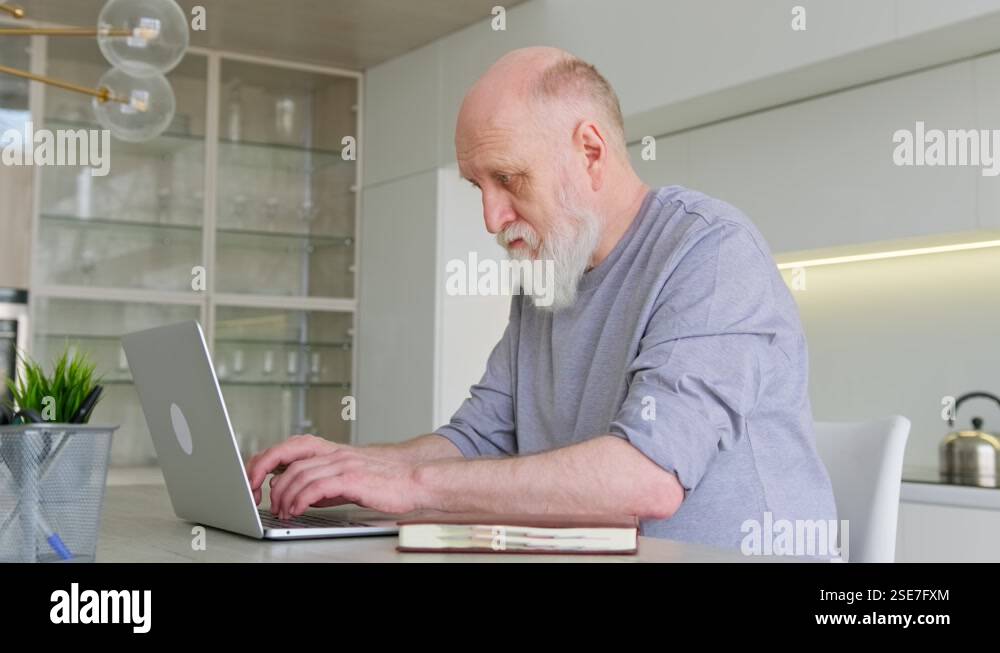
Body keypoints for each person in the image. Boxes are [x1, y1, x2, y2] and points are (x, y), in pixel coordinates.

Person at [246, 46, 836, 550]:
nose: (490, 217)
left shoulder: (709, 253)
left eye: (508, 178)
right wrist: (359, 466)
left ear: (591, 152)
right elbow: (479, 439)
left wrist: (413, 487)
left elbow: (647, 479)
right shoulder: (551, 277)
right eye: (479, 186)